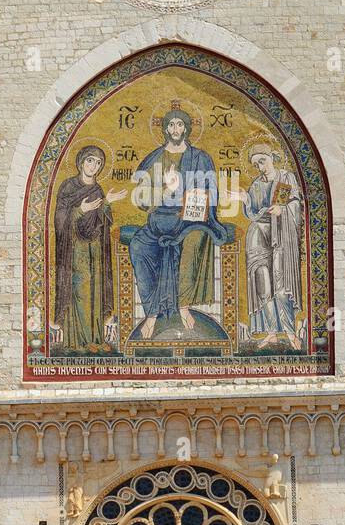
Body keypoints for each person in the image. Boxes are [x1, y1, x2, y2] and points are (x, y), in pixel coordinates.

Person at [124, 107, 233, 340]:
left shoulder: (200, 158)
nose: (175, 129)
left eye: (180, 125)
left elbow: (209, 193)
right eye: (171, 125)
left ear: (187, 128)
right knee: (138, 247)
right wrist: (166, 189)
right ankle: (151, 313)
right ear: (165, 129)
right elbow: (142, 201)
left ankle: (183, 305)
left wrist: (194, 204)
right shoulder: (154, 159)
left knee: (193, 240)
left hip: (189, 220)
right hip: (159, 221)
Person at [53, 146, 126, 350]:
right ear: (81, 162)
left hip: (95, 247)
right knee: (81, 290)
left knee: (96, 290)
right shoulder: (68, 187)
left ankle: (95, 339)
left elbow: (100, 220)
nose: (94, 166)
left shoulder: (97, 189)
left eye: (98, 163)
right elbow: (59, 219)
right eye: (90, 161)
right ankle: (77, 341)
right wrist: (79, 210)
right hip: (76, 248)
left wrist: (106, 203)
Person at [236, 139, 303, 348]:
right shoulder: (256, 184)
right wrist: (246, 201)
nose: (260, 167)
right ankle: (272, 331)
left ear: (272, 159)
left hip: (280, 235)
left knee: (281, 285)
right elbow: (253, 214)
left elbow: (293, 202)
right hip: (258, 235)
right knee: (262, 284)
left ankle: (290, 332)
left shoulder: (285, 177)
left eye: (263, 161)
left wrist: (283, 209)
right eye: (256, 164)